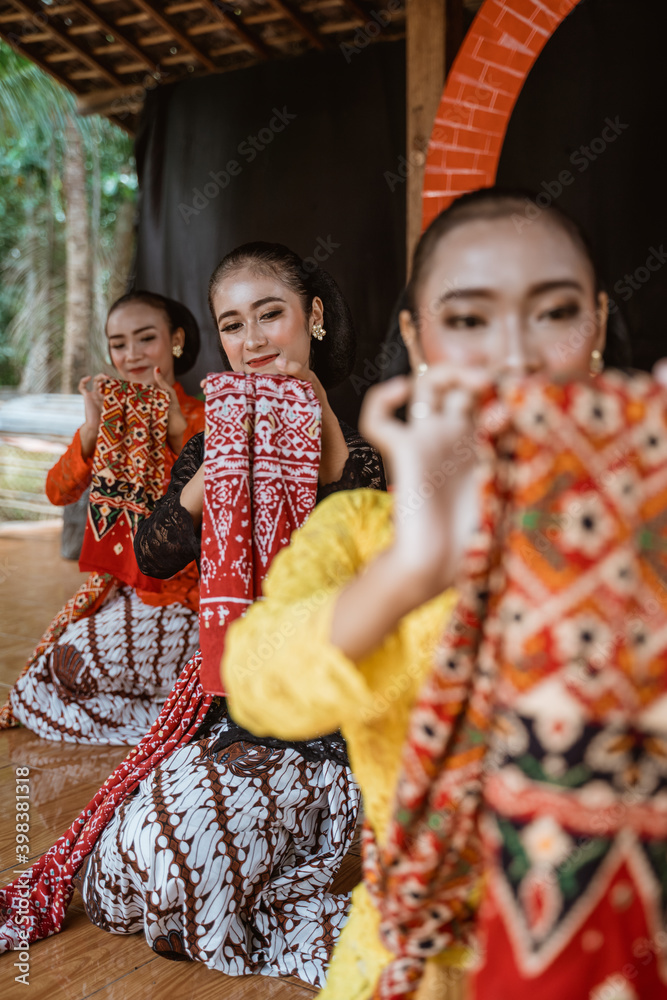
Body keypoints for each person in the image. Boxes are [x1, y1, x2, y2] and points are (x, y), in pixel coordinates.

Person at [221, 189, 630, 999]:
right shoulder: (364, 533)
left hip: (620, 950)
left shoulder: (642, 525)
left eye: (552, 311)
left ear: (596, 325)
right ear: (417, 338)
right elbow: (258, 683)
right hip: (417, 965)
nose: (512, 351)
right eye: (470, 319)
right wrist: (413, 568)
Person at [77, 243, 385, 988]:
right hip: (230, 713)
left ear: (311, 317)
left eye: (270, 314)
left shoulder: (370, 453)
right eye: (232, 324)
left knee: (190, 886)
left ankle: (330, 886)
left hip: (326, 735)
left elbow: (358, 563)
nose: (252, 341)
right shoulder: (214, 439)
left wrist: (318, 426)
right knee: (113, 881)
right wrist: (213, 473)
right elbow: (152, 557)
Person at [4, 291, 205, 744]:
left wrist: (177, 432)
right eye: (118, 343)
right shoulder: (114, 422)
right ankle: (172, 718)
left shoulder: (207, 418)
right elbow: (58, 491)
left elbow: (223, 514)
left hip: (187, 599)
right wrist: (93, 431)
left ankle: (184, 716)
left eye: (145, 338)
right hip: (125, 593)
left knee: (65, 671)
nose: (131, 354)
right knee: (41, 680)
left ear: (175, 340)